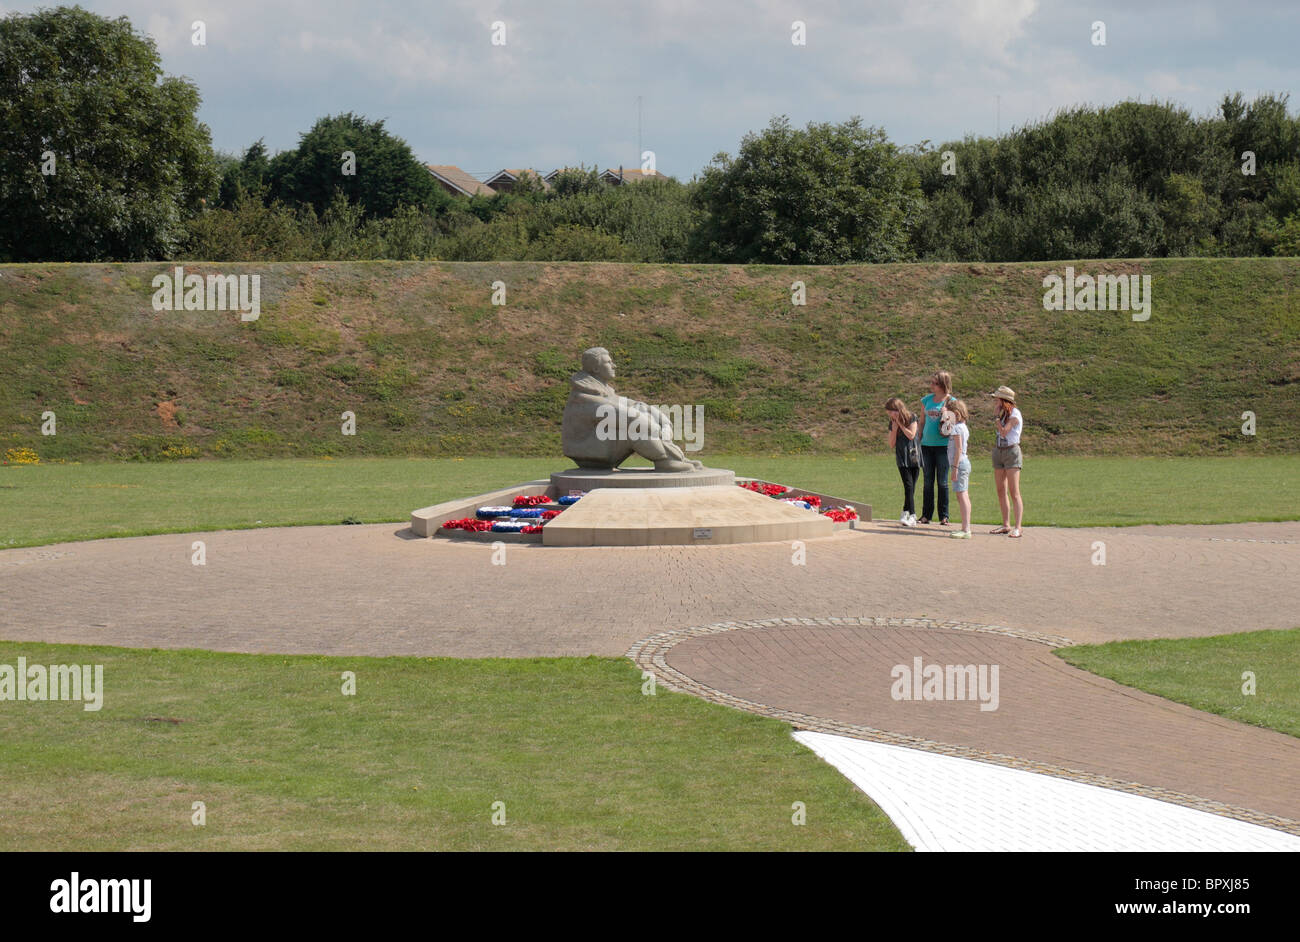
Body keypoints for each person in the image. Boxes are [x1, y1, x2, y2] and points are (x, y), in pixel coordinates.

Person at [918, 371, 955, 525]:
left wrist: (946, 414)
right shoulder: (926, 400)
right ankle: (926, 515)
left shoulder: (951, 401)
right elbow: (921, 421)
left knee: (942, 482)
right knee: (927, 481)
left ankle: (944, 516)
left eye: (935, 383)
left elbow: (955, 423)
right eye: (931, 382)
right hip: (926, 445)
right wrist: (918, 441)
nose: (931, 385)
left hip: (943, 446)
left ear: (943, 384)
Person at [989, 385, 1024, 538]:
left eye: (996, 399)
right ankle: (1005, 524)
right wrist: (998, 417)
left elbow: (1004, 432)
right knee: (1000, 490)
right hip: (999, 451)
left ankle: (1018, 527)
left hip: (1011, 452)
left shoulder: (1015, 414)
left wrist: (996, 418)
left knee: (1014, 491)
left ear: (1004, 401)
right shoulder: (1003, 414)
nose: (994, 402)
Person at [884, 397, 920, 527]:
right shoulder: (892, 422)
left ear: (897, 409)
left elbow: (911, 435)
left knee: (911, 487)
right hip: (902, 457)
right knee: (908, 486)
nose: (890, 415)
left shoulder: (912, 417)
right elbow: (891, 444)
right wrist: (894, 430)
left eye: (891, 412)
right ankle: (913, 515)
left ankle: (905, 511)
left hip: (914, 456)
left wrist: (900, 424)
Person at [947, 399, 973, 539]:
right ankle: (965, 527)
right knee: (962, 494)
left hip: (960, 464)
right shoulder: (962, 427)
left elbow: (958, 449)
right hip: (962, 463)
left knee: (962, 495)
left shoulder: (957, 428)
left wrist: (955, 468)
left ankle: (966, 529)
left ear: (956, 414)